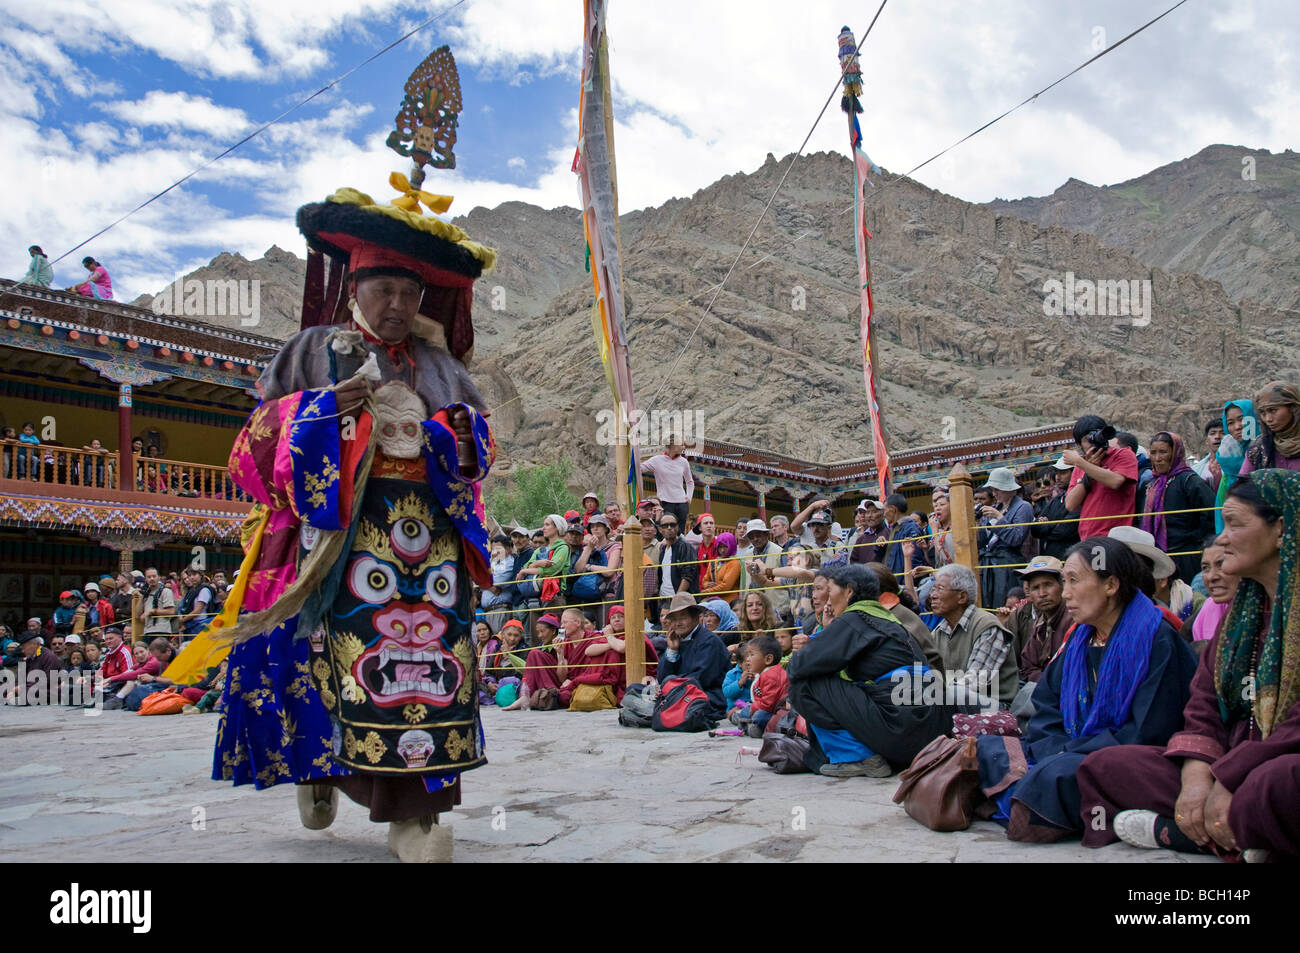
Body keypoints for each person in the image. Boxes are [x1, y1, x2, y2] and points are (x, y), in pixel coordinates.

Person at [211, 176, 500, 864]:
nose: (397, 305)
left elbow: (480, 449)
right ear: (353, 290)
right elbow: (247, 452)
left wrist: (450, 431)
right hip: (335, 541)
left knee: (426, 666)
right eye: (383, 291)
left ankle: (417, 816)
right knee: (327, 665)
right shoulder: (311, 350)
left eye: (409, 293)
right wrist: (319, 414)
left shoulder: (440, 366)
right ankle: (320, 771)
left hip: (426, 548)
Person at [1077, 471, 1300, 859]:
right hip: (1224, 764)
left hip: (1274, 763)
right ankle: (1239, 834)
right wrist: (1198, 775)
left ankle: (1176, 832)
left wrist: (1228, 778)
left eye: (1234, 523)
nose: (1224, 536)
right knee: (1104, 766)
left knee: (1277, 784)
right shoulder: (1240, 619)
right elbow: (1203, 706)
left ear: (1280, 527)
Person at [974, 537, 1196, 843]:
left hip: (1118, 754)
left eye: (1074, 581)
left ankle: (1019, 800)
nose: (1065, 594)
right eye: (1064, 582)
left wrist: (1069, 752)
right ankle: (1025, 799)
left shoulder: (1156, 639)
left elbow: (1148, 730)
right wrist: (1056, 747)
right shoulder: (1080, 640)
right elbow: (1046, 705)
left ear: (1111, 585)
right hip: (1069, 747)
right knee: (987, 747)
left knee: (1062, 773)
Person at [788, 564, 964, 778]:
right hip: (929, 732)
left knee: (803, 684)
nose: (827, 599)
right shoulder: (888, 620)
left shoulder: (855, 619)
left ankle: (857, 757)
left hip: (902, 727)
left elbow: (799, 666)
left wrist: (818, 640)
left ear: (849, 591)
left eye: (831, 590)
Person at [927, 564, 1020, 707]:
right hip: (956, 700)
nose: (932, 595)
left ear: (962, 597)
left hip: (995, 707)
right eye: (933, 589)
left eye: (939, 589)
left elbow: (974, 682)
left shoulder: (987, 626)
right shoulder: (939, 631)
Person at [1139, 432, 1215, 583]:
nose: (1157, 458)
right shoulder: (1151, 485)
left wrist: (1193, 541)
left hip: (1187, 557)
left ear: (1175, 453)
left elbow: (1210, 515)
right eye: (1153, 453)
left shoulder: (1190, 481)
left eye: (1163, 452)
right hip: (1159, 557)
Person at [1063, 415, 1138, 540]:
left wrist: (1081, 463)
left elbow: (1116, 481)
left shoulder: (1123, 454)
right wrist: (1087, 469)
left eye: (1098, 436)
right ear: (1079, 444)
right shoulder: (1081, 466)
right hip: (1088, 537)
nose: (1095, 442)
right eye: (1088, 439)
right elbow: (1070, 504)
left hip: (1117, 538)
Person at [657, 591, 729, 719]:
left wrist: (670, 686)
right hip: (679, 692)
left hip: (706, 695)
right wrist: (672, 650)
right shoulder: (676, 640)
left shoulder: (709, 641)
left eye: (683, 617)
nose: (678, 623)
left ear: (696, 618)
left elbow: (701, 678)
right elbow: (662, 677)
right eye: (674, 619)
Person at [976, 467, 1036, 609]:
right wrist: (978, 525)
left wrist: (998, 517)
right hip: (989, 565)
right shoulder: (996, 506)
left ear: (1010, 489)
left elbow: (1016, 538)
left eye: (999, 489)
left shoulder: (1023, 507)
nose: (995, 493)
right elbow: (982, 543)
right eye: (993, 489)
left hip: (1009, 564)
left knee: (1007, 606)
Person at [1012, 556, 1075, 684]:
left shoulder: (1074, 619)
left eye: (1048, 585)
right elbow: (1027, 665)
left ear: (1062, 585)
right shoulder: (1041, 621)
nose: (1042, 593)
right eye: (1035, 588)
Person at [1213, 399, 1257, 532]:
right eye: (1230, 423)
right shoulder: (1227, 457)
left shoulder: (1267, 451)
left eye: (1242, 419)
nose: (1238, 426)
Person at [1241, 381, 1300, 476]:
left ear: (1293, 408)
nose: (1268, 419)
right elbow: (1243, 486)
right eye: (1262, 413)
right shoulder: (1259, 448)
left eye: (1273, 410)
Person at [1189, 534, 1236, 654]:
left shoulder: (1263, 608)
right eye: (1205, 568)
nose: (1211, 577)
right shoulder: (1207, 609)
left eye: (1221, 565)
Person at [1031, 456, 1080, 560]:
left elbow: (1064, 530)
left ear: (1075, 472)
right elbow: (1035, 529)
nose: (1058, 477)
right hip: (1051, 559)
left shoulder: (1080, 498)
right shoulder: (1057, 499)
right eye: (1056, 473)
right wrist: (1053, 525)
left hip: (1072, 557)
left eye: (1063, 473)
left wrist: (1046, 525)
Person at [640, 436, 694, 529]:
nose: (684, 447)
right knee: (665, 530)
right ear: (673, 446)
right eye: (681, 445)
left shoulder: (683, 462)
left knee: (679, 533)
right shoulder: (656, 460)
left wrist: (689, 497)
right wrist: (634, 456)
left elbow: (690, 481)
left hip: (682, 503)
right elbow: (639, 469)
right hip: (665, 502)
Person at [882, 493, 927, 579]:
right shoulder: (894, 528)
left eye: (885, 510)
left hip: (904, 583)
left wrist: (906, 582)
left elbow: (914, 560)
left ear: (893, 509)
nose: (884, 515)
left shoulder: (911, 528)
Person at [698, 531, 740, 604]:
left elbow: (726, 586)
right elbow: (705, 580)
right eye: (720, 547)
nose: (722, 550)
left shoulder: (735, 563)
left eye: (725, 546)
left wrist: (706, 592)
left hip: (729, 602)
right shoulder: (714, 562)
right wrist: (707, 584)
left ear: (732, 545)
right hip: (714, 601)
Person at [846, 499, 888, 565]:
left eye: (874, 512)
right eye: (867, 512)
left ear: (883, 515)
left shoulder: (888, 534)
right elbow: (853, 561)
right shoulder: (861, 539)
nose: (869, 515)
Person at [137, 568, 175, 640]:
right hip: (148, 630)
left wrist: (152, 611)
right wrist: (141, 597)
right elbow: (138, 615)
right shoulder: (146, 593)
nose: (152, 579)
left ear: (159, 577)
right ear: (146, 579)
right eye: (149, 577)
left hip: (161, 630)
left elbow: (171, 611)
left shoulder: (166, 591)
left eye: (154, 576)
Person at [176, 568, 214, 638]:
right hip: (190, 625)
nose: (192, 577)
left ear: (201, 575)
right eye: (189, 575)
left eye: (194, 574)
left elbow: (197, 611)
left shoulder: (204, 589)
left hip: (201, 624)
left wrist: (182, 620)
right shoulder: (191, 591)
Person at [1190, 418, 1224, 491]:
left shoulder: (1238, 467)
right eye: (1212, 433)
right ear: (1207, 441)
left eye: (1223, 433)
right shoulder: (1196, 470)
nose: (1217, 437)